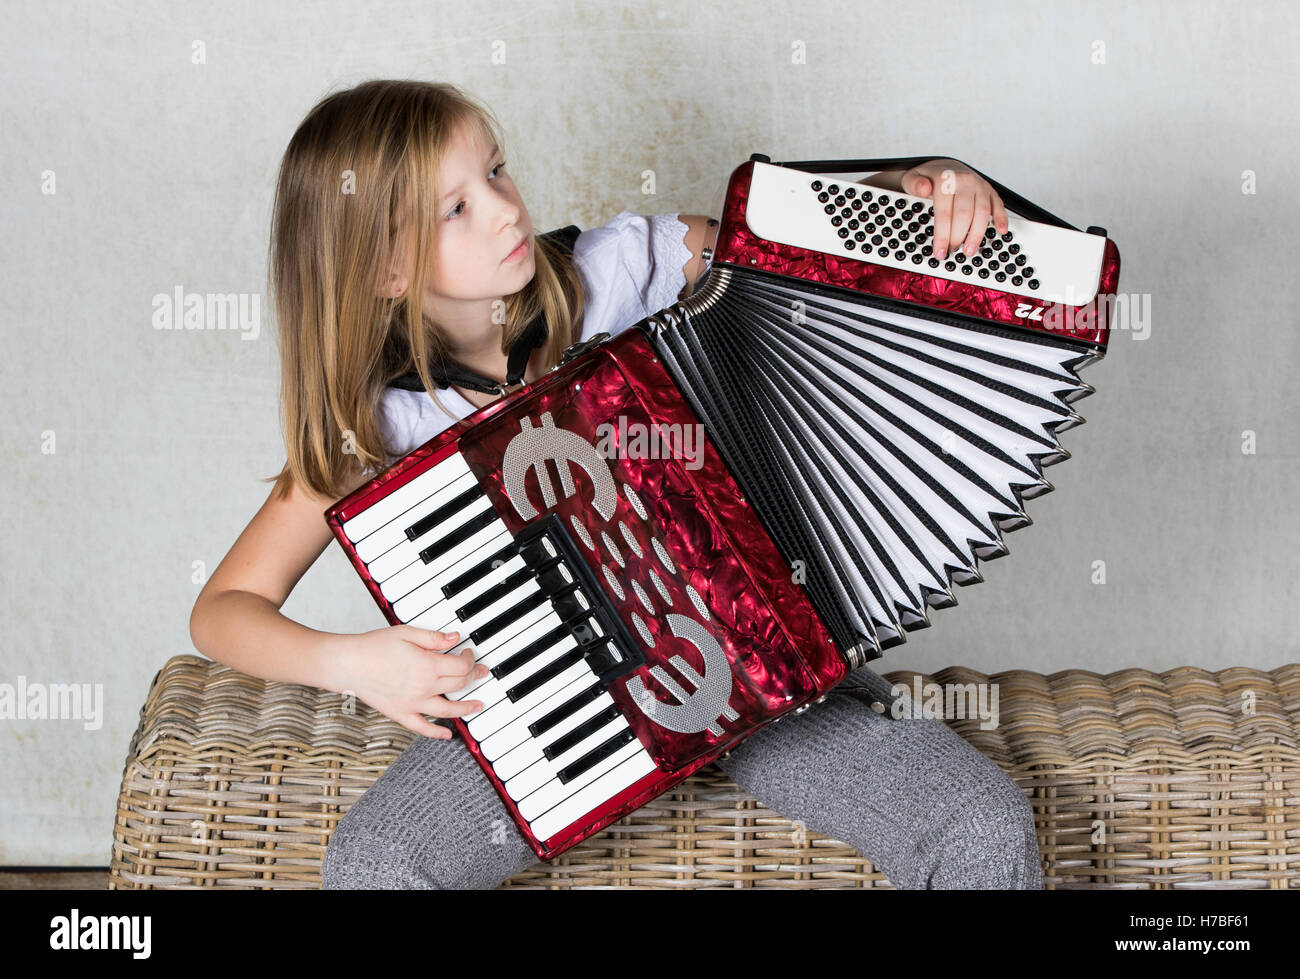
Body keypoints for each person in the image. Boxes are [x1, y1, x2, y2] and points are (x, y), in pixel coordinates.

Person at [188, 78, 1042, 890]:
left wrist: (915, 185)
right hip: (543, 711)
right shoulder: (377, 425)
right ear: (384, 272)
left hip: (763, 664)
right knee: (374, 862)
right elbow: (223, 609)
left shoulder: (623, 268)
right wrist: (353, 664)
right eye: (457, 208)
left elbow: (808, 249)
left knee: (980, 822)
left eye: (495, 170)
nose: (505, 208)